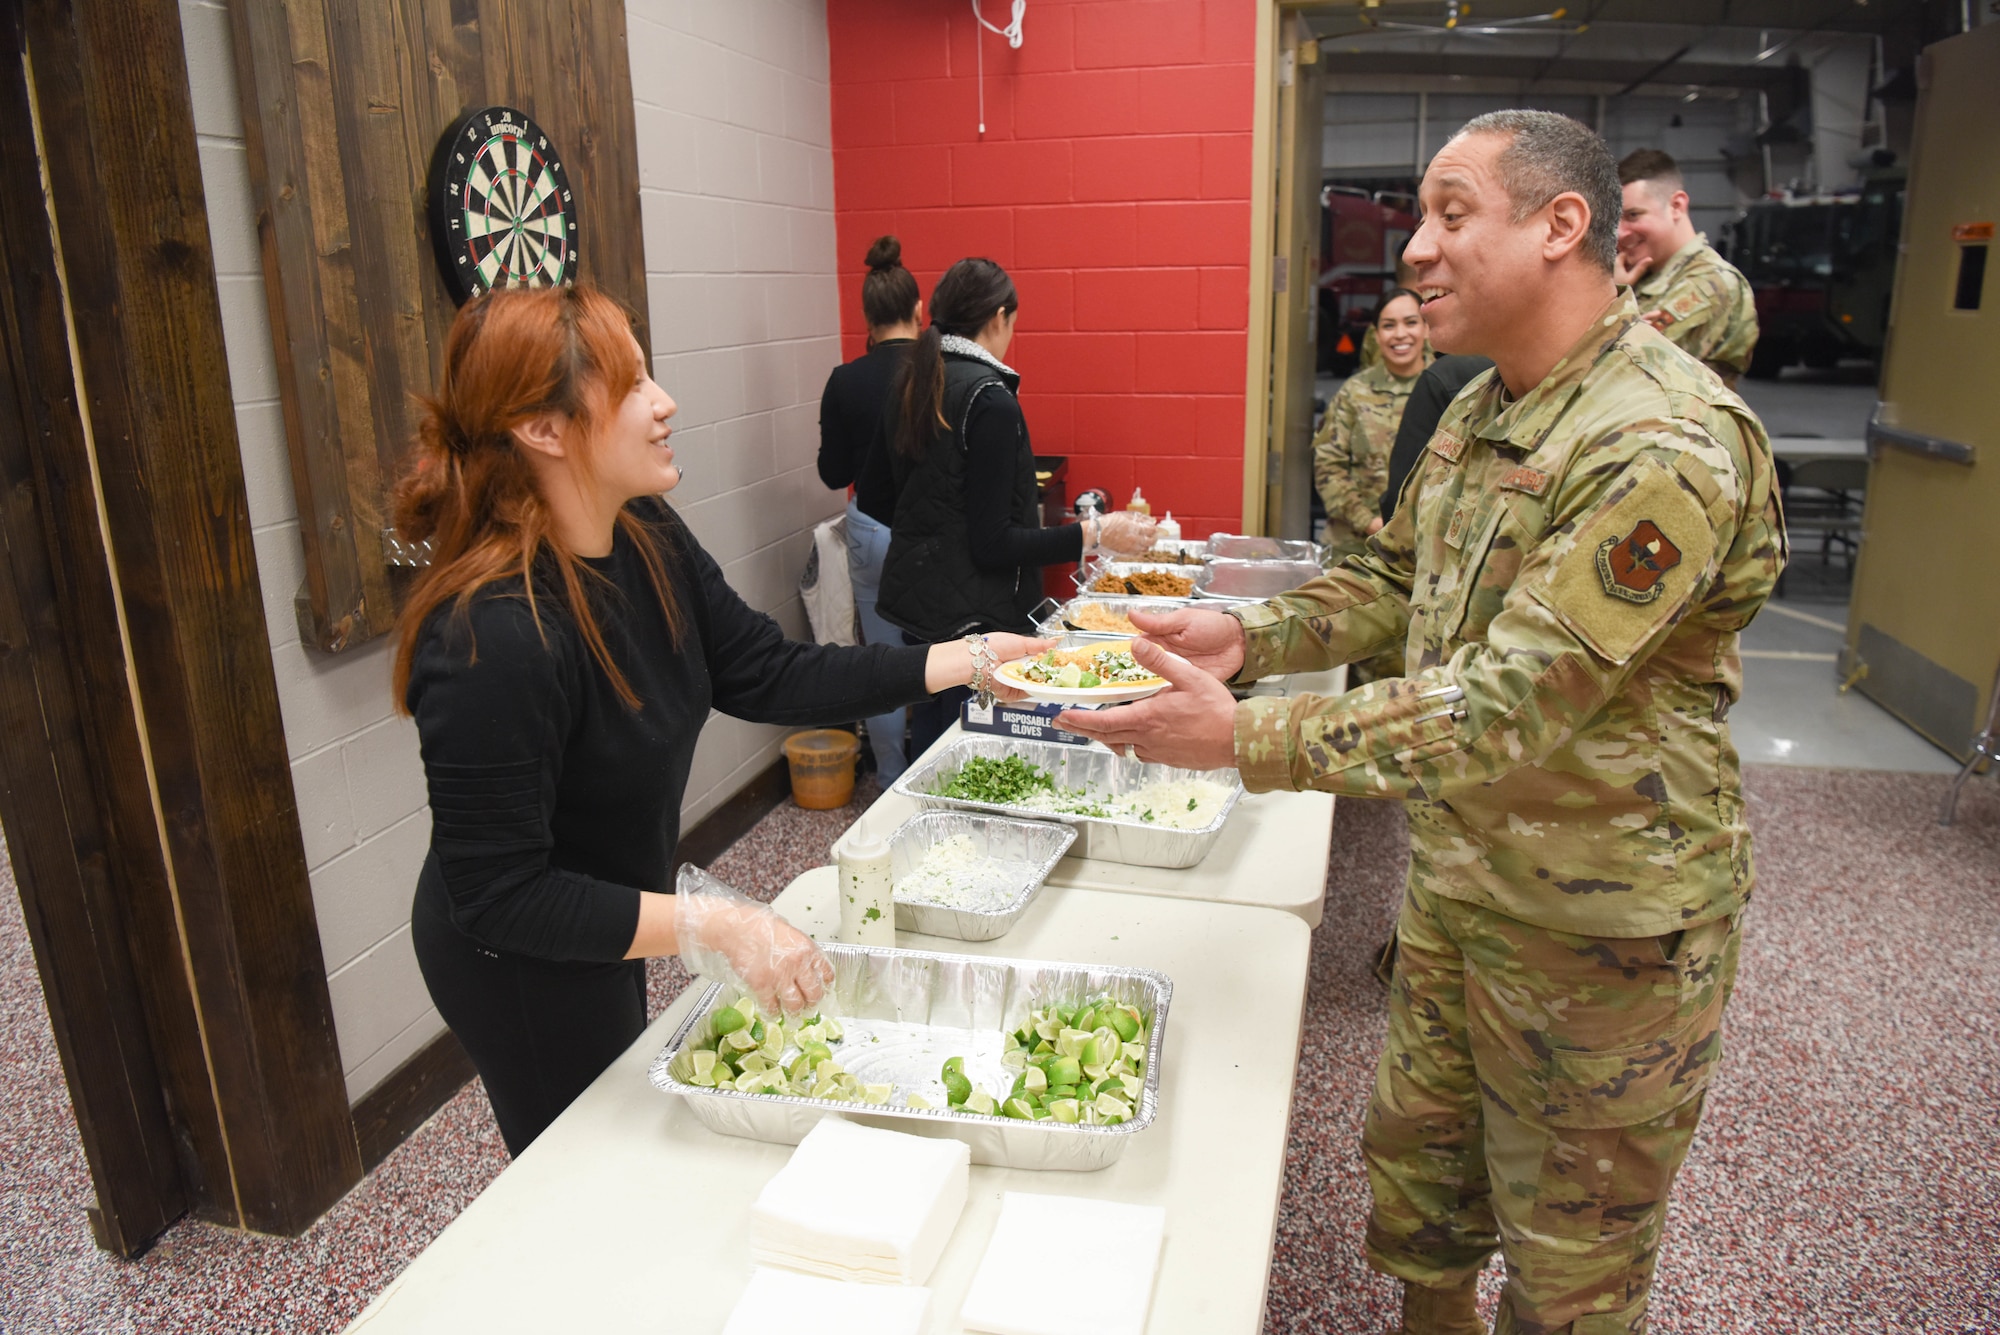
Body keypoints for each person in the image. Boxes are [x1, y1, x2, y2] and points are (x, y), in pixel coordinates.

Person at [1057, 110, 1785, 1334]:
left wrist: (1244, 738)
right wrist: (1248, 641)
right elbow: (1397, 584)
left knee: (1570, 1277)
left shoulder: (1654, 438)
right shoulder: (1479, 409)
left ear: (1560, 227)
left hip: (1596, 934)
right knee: (1424, 1209)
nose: (1411, 252)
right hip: (1459, 889)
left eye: (1451, 215)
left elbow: (1504, 703)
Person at [391, 283, 1047, 1155]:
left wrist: (969, 659)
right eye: (630, 386)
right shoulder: (491, 635)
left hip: (609, 903)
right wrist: (717, 921)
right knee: (584, 1161)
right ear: (542, 430)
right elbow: (500, 894)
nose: (663, 403)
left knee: (623, 1099)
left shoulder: (644, 533)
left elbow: (767, 670)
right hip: (512, 952)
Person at [879, 257, 1156, 756]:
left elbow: (892, 498)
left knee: (933, 742)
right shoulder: (988, 399)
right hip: (971, 618)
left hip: (921, 604)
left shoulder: (918, 379)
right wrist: (1096, 532)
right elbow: (994, 544)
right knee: (969, 749)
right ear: (998, 317)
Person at [817, 235, 922, 783]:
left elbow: (833, 473)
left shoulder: (845, 380)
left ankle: (888, 780)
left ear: (868, 317)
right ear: (919, 309)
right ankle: (935, 774)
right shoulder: (939, 375)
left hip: (870, 530)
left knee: (881, 657)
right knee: (937, 652)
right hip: (928, 534)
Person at [1615, 148, 1759, 386]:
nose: (1620, 232)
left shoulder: (1710, 283)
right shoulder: (1638, 276)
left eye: (1633, 215)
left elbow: (1621, 371)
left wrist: (1611, 300)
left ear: (1676, 206)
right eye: (1615, 219)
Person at [1313, 287, 1431, 563]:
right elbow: (1328, 466)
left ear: (1426, 328)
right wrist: (1369, 522)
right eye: (1389, 326)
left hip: (1424, 553)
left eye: (1411, 322)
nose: (1400, 334)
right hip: (1354, 550)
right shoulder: (1354, 392)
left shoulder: (1449, 389)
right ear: (1376, 335)